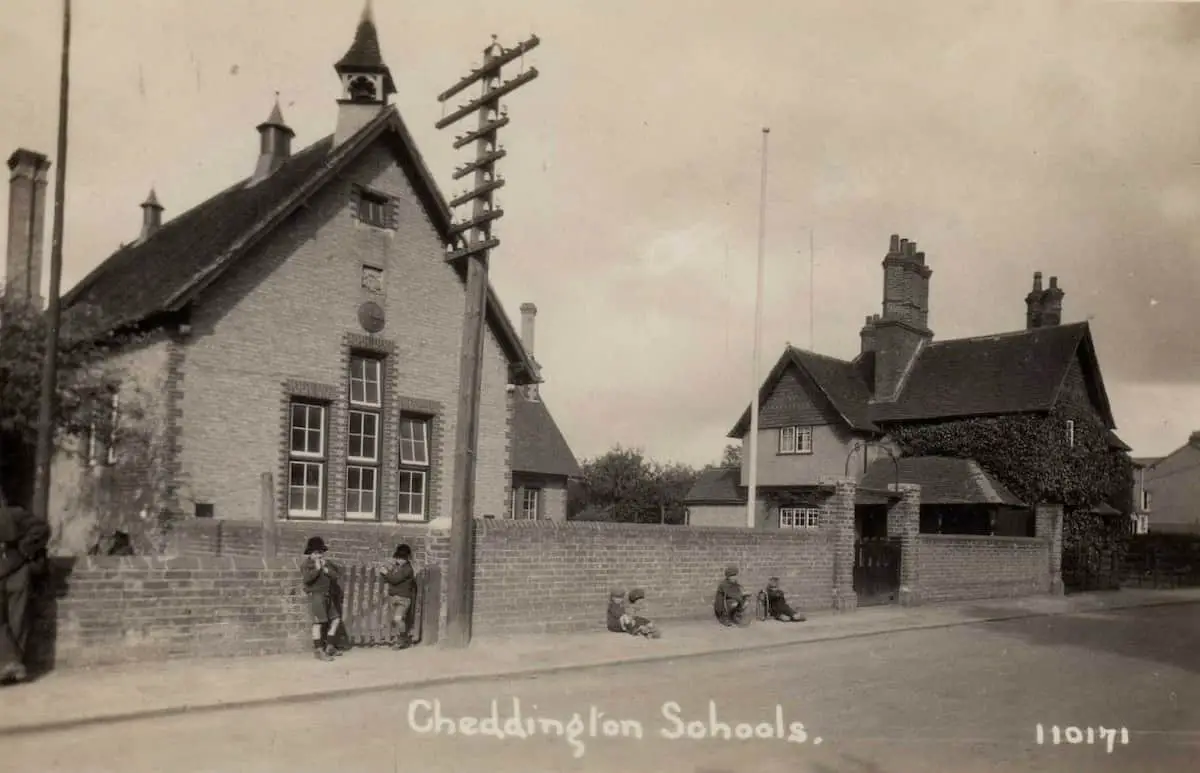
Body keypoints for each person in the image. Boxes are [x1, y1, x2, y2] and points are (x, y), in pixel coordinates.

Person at [0, 505, 51, 685]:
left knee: (18, 620)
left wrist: (23, 550)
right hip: (8, 572)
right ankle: (11, 665)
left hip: (17, 573)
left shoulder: (14, 514)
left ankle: (12, 669)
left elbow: (42, 528)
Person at [301, 537, 342, 661]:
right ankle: (319, 650)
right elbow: (307, 579)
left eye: (320, 552)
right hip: (316, 596)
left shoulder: (326, 563)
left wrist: (326, 569)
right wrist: (317, 569)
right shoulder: (306, 565)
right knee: (318, 623)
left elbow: (336, 575)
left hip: (327, 595)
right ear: (310, 553)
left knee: (336, 619)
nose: (319, 555)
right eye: (316, 553)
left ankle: (330, 646)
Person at [378, 543, 417, 649]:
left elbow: (395, 579)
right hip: (393, 597)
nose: (399, 560)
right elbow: (389, 579)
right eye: (398, 557)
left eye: (402, 558)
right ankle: (401, 638)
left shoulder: (408, 569)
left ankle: (402, 640)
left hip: (403, 599)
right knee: (395, 621)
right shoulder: (397, 567)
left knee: (398, 619)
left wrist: (386, 573)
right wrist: (385, 572)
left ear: (407, 558)